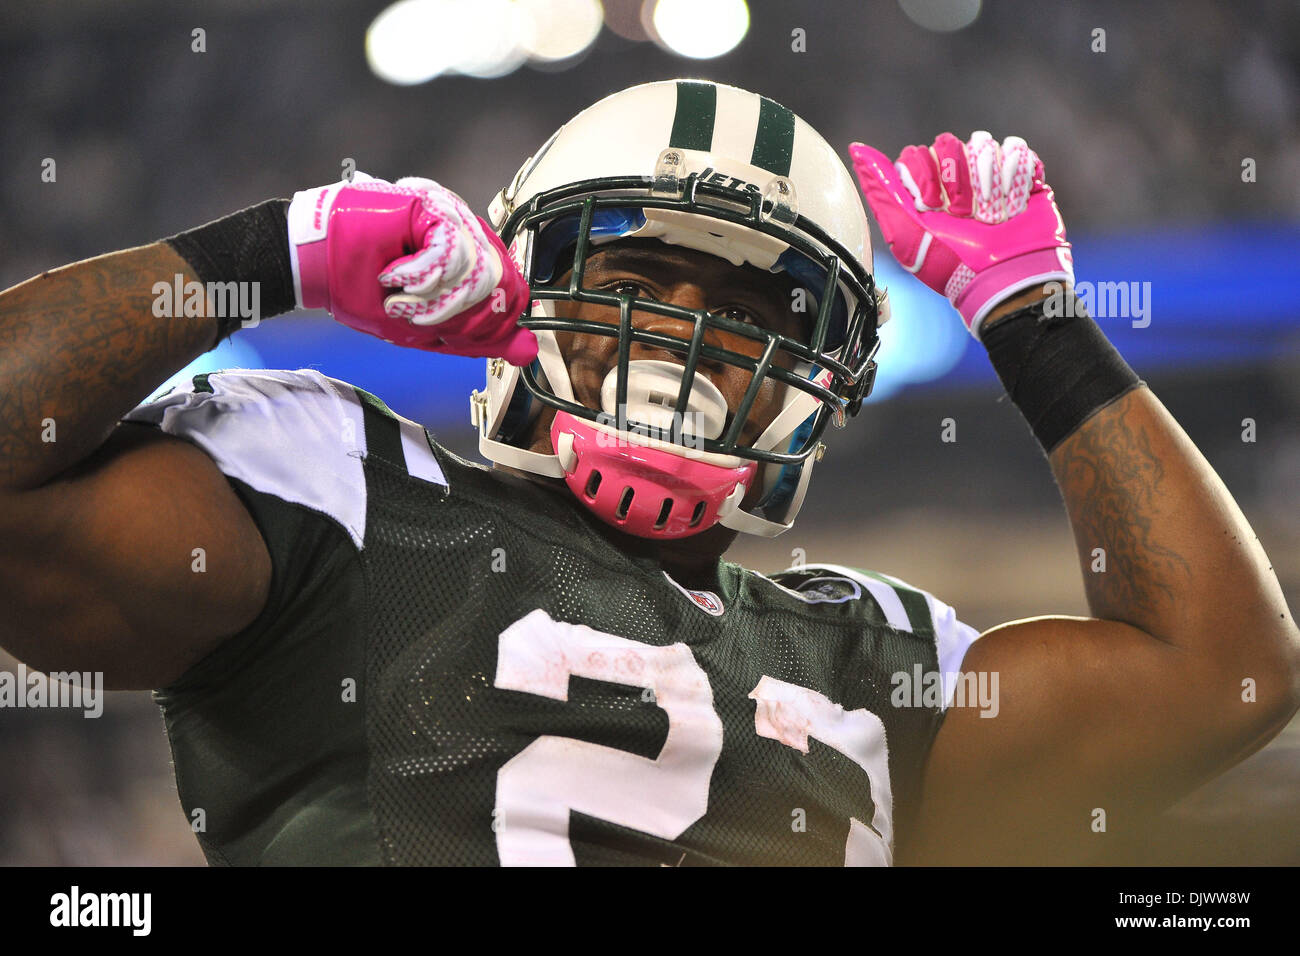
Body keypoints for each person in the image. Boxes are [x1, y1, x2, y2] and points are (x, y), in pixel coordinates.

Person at [0, 79, 1294, 866]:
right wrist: (273, 250)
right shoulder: (336, 490)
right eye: (634, 281)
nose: (682, 334)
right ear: (525, 293)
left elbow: (1225, 670)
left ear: (819, 380)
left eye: (748, 313)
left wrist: (1034, 318)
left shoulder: (874, 658)